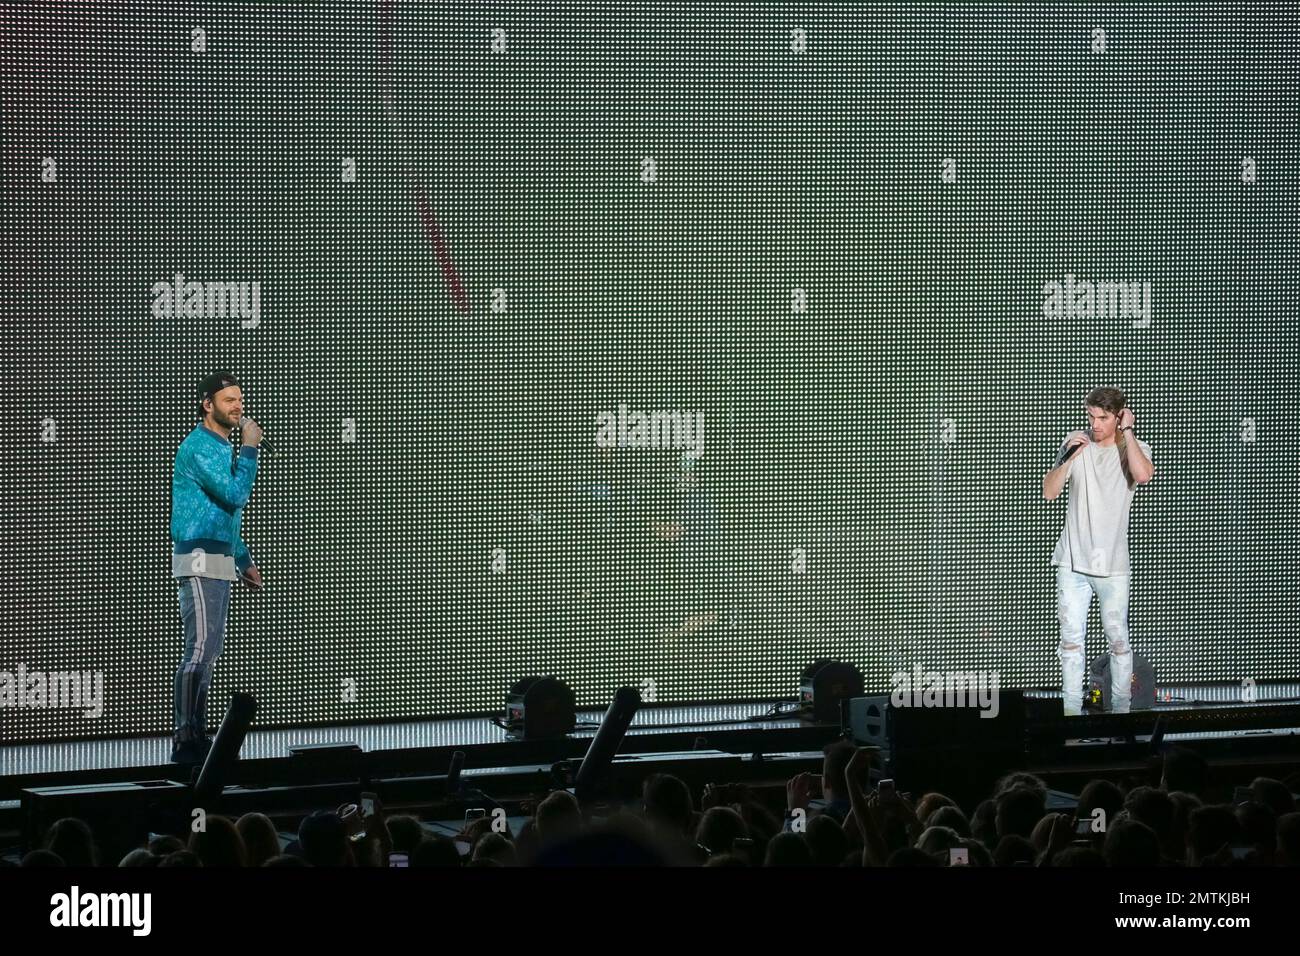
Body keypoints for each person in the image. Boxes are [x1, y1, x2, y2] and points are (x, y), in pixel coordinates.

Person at [169, 371, 264, 763]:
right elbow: (235, 494)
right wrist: (251, 449)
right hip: (199, 556)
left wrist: (242, 559)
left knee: (209, 649)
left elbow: (222, 514)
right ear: (208, 405)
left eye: (240, 399)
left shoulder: (219, 447)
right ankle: (187, 739)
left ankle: (196, 735)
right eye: (229, 401)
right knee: (201, 648)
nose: (238, 407)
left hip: (218, 554)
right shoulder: (202, 445)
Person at [1042, 387, 1155, 715]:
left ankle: (1121, 715)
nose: (1095, 423)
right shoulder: (1077, 445)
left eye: (1103, 418)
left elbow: (1143, 475)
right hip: (1073, 561)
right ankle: (1072, 717)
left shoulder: (1133, 448)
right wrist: (1067, 458)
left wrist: (1128, 432)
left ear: (1120, 416)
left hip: (1113, 565)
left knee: (1119, 642)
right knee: (1071, 643)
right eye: (1091, 416)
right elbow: (1050, 492)